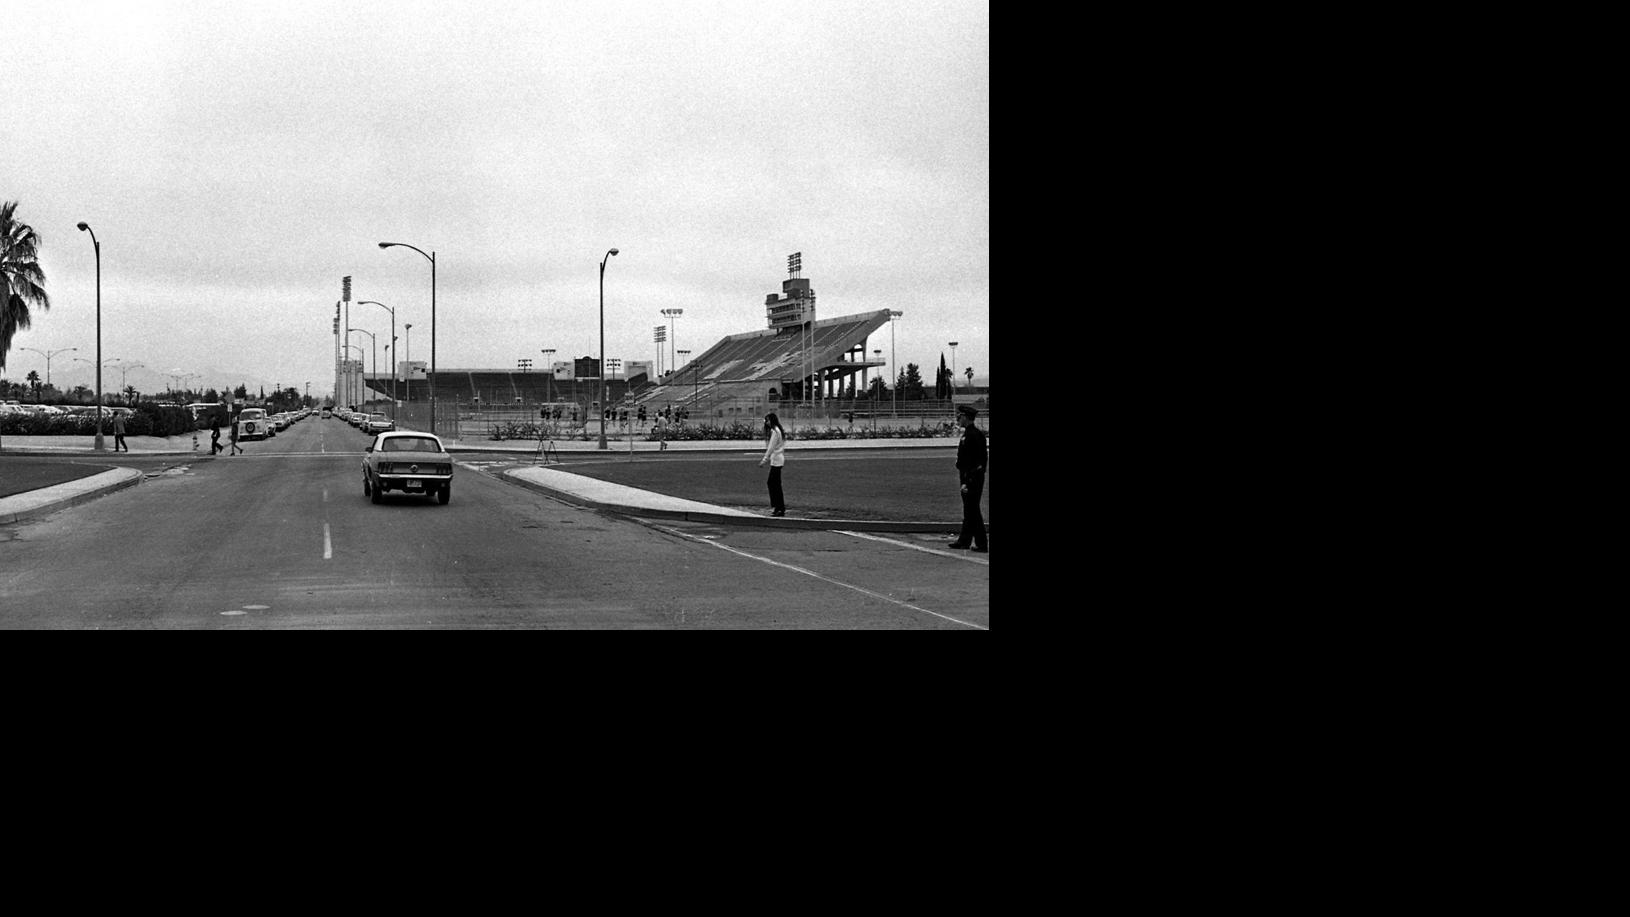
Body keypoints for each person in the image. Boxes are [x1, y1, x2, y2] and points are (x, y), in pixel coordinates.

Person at [947, 404, 987, 551]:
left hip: (972, 478)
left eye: (960, 416)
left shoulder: (974, 436)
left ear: (965, 417)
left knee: (973, 511)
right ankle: (965, 540)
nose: (958, 419)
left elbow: (978, 462)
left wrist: (967, 482)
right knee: (969, 510)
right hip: (967, 477)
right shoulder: (969, 434)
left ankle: (982, 543)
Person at [759, 411, 786, 517]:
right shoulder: (777, 430)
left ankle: (779, 507)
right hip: (777, 460)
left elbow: (771, 447)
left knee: (773, 484)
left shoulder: (775, 431)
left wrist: (764, 460)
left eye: (767, 420)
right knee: (774, 484)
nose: (766, 423)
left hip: (777, 460)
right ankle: (778, 506)